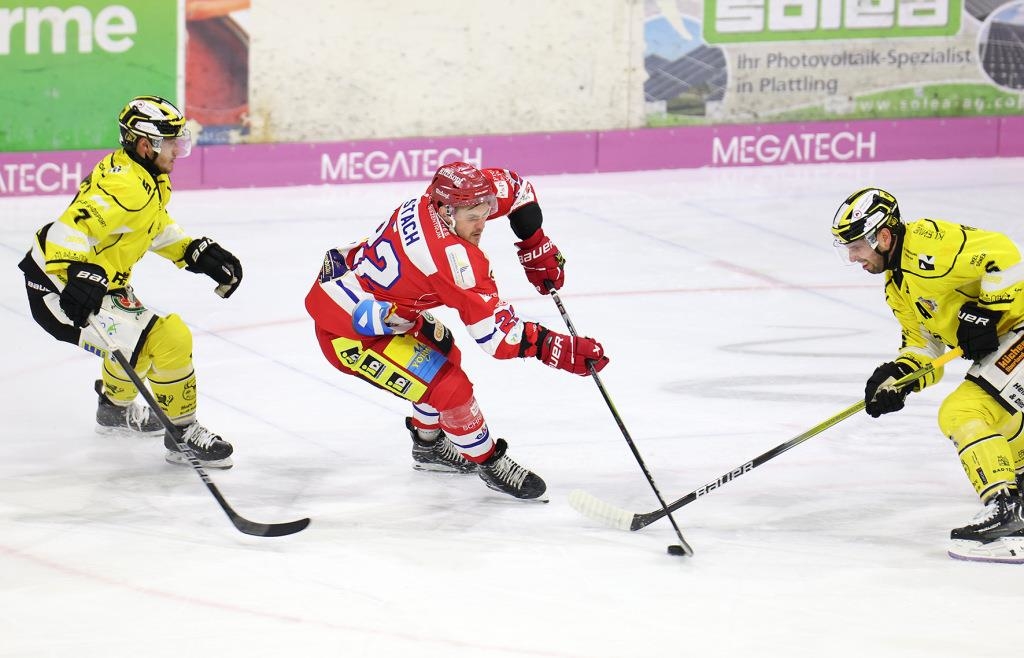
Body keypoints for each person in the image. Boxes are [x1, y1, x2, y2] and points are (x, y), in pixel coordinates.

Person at [305, 161, 608, 500]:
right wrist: (554, 348)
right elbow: (497, 338)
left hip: (381, 310)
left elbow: (516, 188)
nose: (481, 224)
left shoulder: (435, 201)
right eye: (472, 217)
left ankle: (429, 447)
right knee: (451, 389)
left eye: (485, 211)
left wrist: (533, 242)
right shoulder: (451, 260)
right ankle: (489, 462)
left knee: (445, 351)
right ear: (446, 211)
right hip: (350, 334)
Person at [17, 95, 242, 469]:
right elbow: (67, 228)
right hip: (57, 289)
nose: (178, 150)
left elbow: (149, 227)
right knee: (168, 337)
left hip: (96, 284)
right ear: (145, 144)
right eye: (171, 142)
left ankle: (113, 410)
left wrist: (191, 251)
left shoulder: (147, 178)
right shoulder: (125, 187)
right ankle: (182, 433)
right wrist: (79, 273)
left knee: (133, 340)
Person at [831, 187, 1024, 563]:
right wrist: (897, 379)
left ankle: (1007, 511)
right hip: (1008, 348)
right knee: (993, 416)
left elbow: (1003, 253)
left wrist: (991, 311)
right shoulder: (897, 286)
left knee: (963, 411)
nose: (853, 257)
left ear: (883, 236)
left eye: (856, 246)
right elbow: (925, 347)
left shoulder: (928, 245)